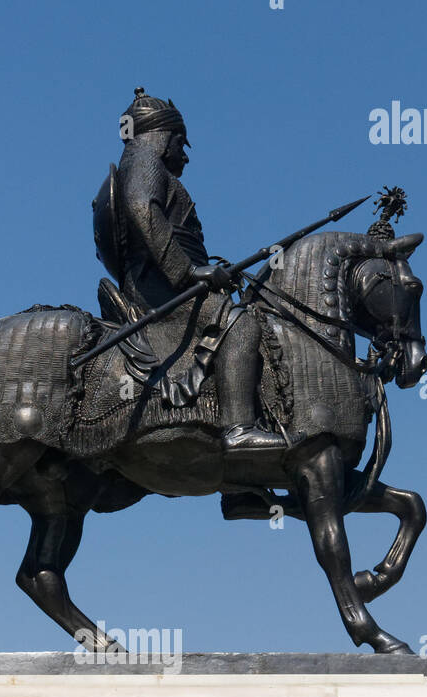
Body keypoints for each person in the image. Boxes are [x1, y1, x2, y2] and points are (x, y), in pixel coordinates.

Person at [94, 87, 289, 453]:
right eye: (181, 143)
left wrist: (210, 271)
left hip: (167, 284)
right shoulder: (143, 163)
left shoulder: (144, 167)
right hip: (161, 290)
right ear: (164, 136)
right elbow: (141, 209)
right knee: (241, 324)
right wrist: (189, 274)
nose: (184, 154)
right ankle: (238, 429)